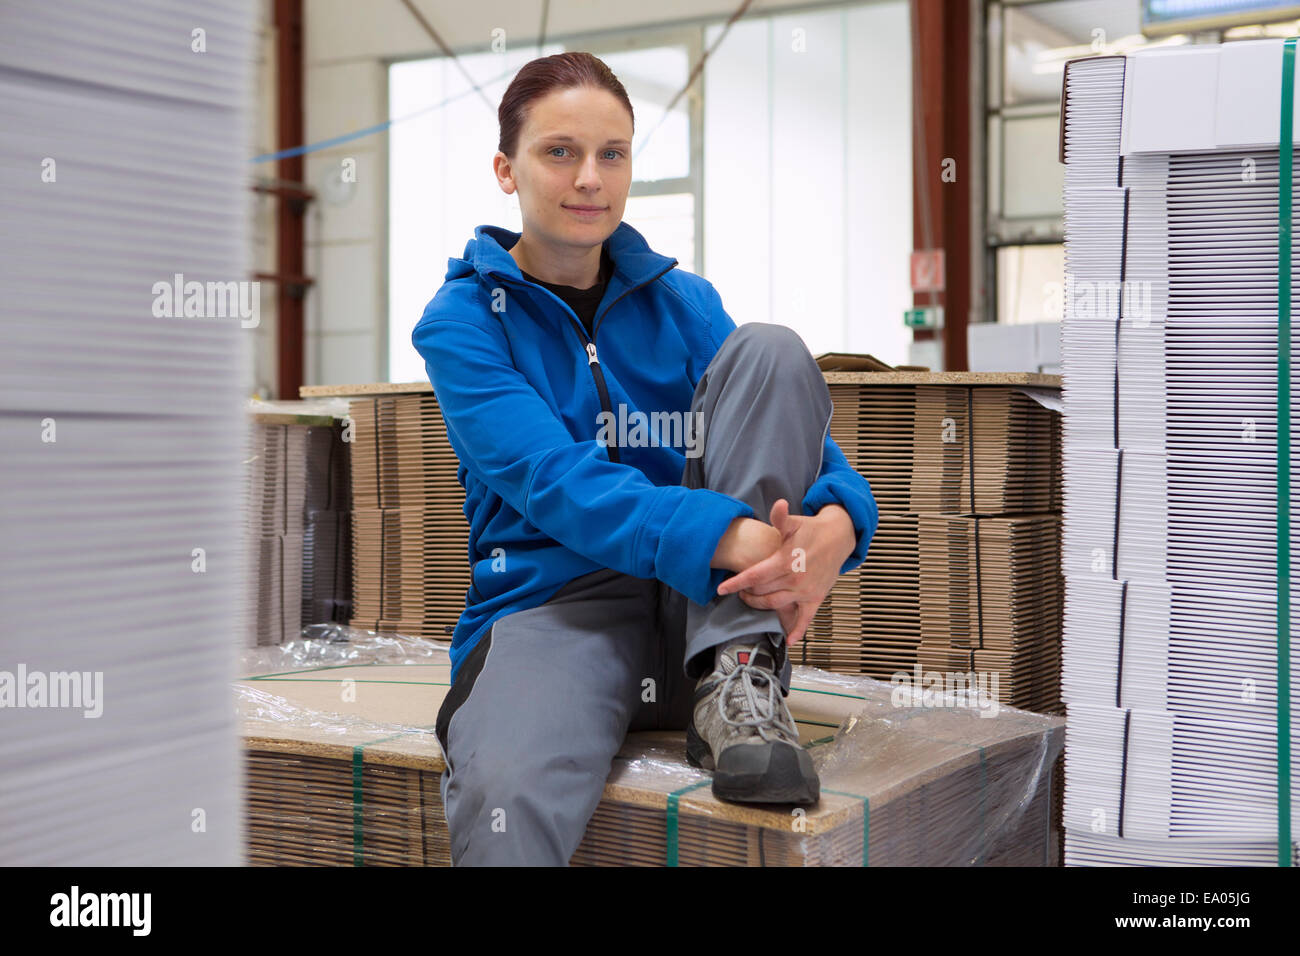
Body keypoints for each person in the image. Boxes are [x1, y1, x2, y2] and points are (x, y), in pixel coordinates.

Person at [411, 51, 878, 866]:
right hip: (558, 609)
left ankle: (738, 675)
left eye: (612, 154)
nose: (590, 177)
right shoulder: (464, 323)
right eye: (560, 151)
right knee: (508, 794)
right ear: (505, 170)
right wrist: (728, 536)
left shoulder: (683, 303)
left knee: (770, 351)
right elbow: (552, 480)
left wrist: (838, 522)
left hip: (707, 608)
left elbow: (786, 427)